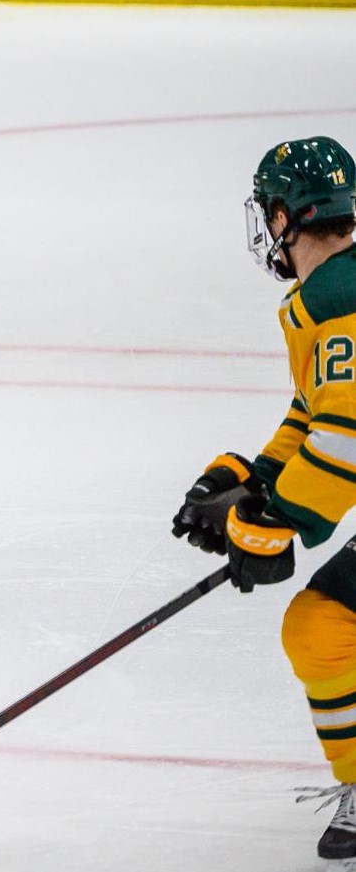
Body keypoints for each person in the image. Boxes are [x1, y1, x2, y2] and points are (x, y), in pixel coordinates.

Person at [172, 135, 356, 861]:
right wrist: (254, 478)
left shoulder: (341, 299)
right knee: (319, 627)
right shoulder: (334, 293)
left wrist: (276, 515)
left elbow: (344, 441)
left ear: (282, 215)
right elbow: (316, 412)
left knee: (322, 627)